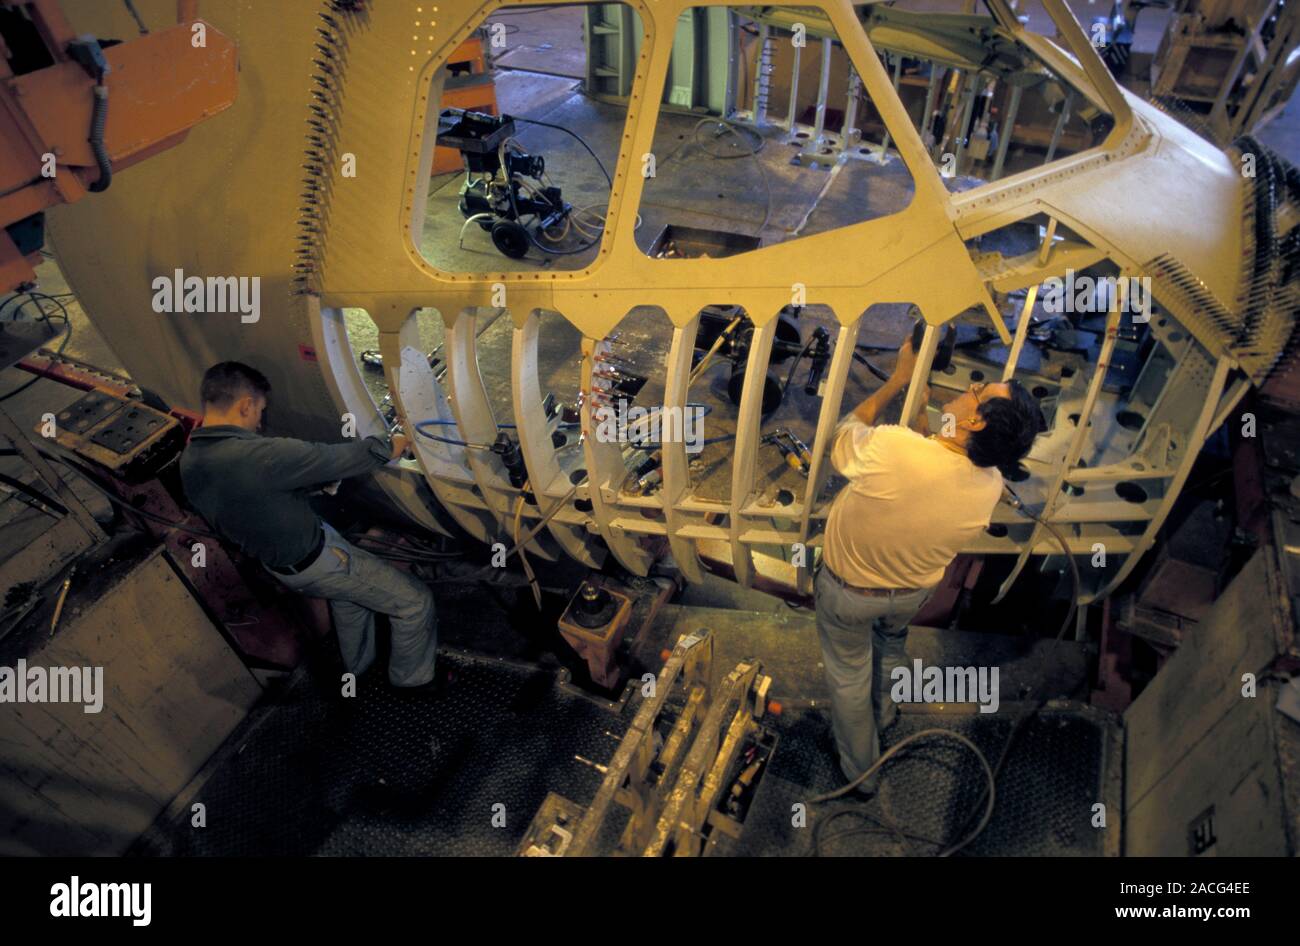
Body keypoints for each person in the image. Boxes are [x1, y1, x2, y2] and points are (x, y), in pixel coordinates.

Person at [815, 333, 1045, 785]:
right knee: (889, 649)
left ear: (976, 422)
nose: (969, 389)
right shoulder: (990, 484)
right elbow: (937, 458)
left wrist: (898, 381)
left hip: (850, 593)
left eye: (978, 393)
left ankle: (862, 773)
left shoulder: (895, 448)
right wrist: (923, 412)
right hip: (911, 594)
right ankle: (885, 719)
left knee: (849, 675)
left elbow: (843, 437)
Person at [179, 361, 438, 689]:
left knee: (350, 600)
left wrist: (302, 488)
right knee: (415, 602)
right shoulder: (260, 454)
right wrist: (392, 446)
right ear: (245, 405)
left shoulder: (191, 460)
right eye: (260, 410)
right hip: (320, 561)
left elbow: (246, 500)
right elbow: (333, 459)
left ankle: (357, 670)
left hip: (282, 568)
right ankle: (414, 682)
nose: (260, 421)